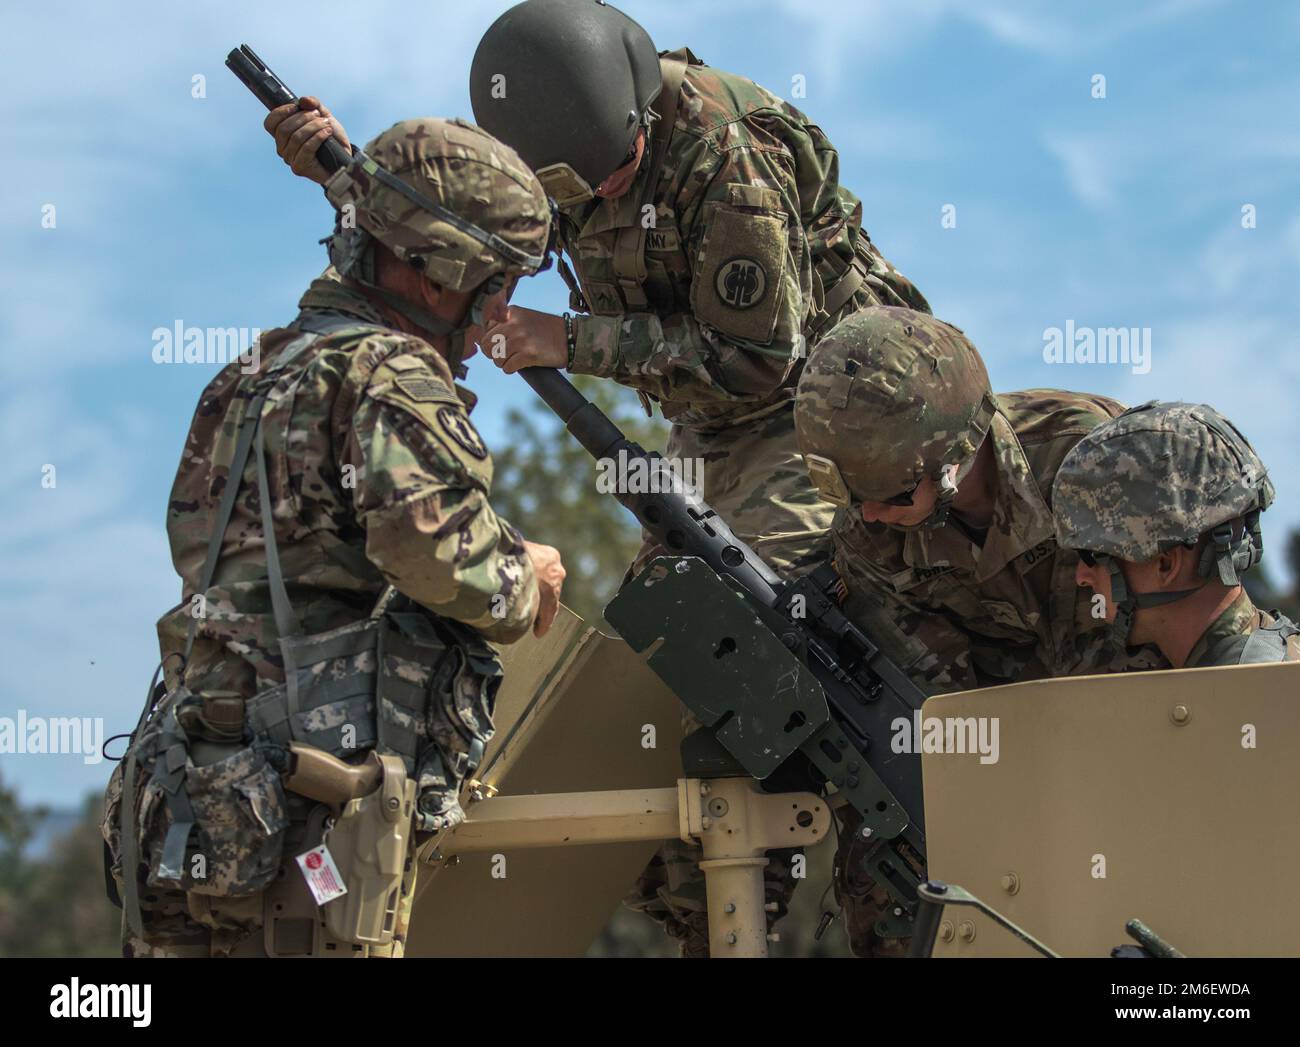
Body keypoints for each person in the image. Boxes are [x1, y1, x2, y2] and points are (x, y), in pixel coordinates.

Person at [102, 117, 565, 958]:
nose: (499, 310)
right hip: (311, 814)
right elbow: (439, 555)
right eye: (494, 283)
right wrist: (526, 574)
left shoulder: (252, 370)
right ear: (441, 275)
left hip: (192, 794)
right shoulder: (391, 374)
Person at [793, 305, 1165, 955]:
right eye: (854, 494)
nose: (872, 514)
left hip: (1137, 721)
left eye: (891, 491)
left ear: (956, 456)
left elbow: (1186, 648)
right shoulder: (869, 531)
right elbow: (934, 719)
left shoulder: (1094, 460)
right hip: (994, 741)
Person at [1053, 400, 1298, 668]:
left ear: (1166, 563)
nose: (1081, 577)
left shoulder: (1246, 692)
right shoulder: (1268, 664)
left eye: (1092, 556)